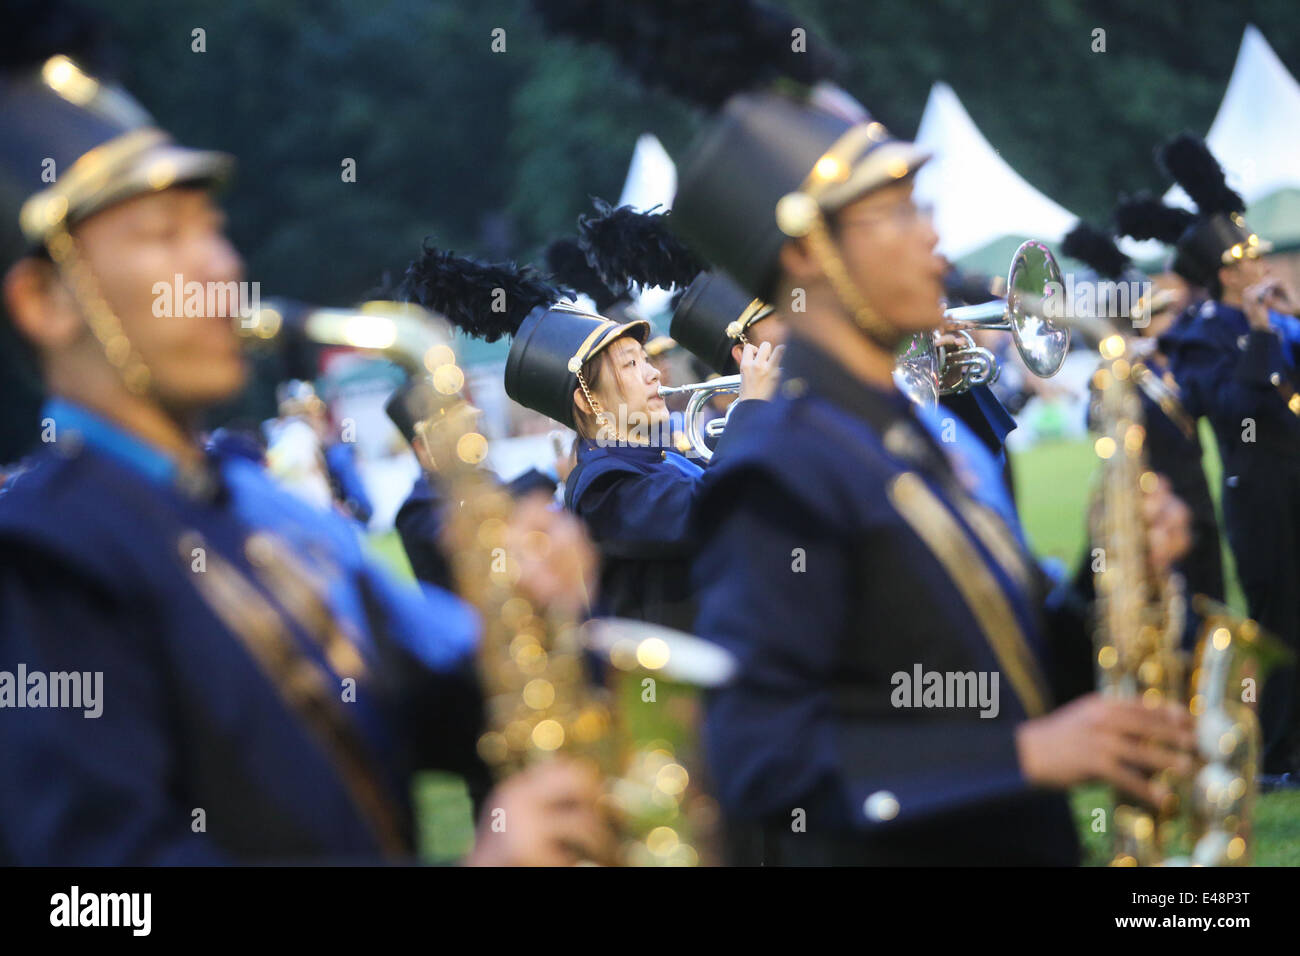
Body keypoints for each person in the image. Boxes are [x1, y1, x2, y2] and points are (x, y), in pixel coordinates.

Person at [0, 35, 612, 865]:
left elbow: (447, 694)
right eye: (162, 235)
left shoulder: (265, 507)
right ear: (44, 303)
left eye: (212, 228)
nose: (218, 264)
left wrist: (538, 610)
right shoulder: (40, 557)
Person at [670, 81, 1198, 864]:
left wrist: (1111, 567)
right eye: (897, 213)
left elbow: (1013, 673)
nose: (934, 240)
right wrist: (1021, 756)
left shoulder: (909, 426)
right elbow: (760, 758)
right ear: (807, 251)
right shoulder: (776, 467)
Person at [399, 244, 781, 632]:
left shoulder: (657, 457)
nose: (653, 374)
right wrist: (750, 411)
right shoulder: (607, 485)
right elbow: (715, 509)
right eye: (631, 364)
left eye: (645, 360)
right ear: (588, 399)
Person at [1117, 134, 1300, 777]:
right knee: (1279, 619)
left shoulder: (1280, 321)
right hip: (1258, 489)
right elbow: (1235, 409)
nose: (1266, 266)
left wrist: (1285, 320)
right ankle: (1278, 755)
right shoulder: (1201, 338)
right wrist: (1255, 333)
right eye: (1252, 259)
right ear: (1229, 273)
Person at [1063, 219, 1225, 617]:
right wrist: (1116, 370)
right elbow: (1092, 422)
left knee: (1210, 601)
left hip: (1197, 499)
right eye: (1159, 313)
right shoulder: (1119, 374)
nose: (1170, 319)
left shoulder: (1176, 365)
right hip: (1151, 508)